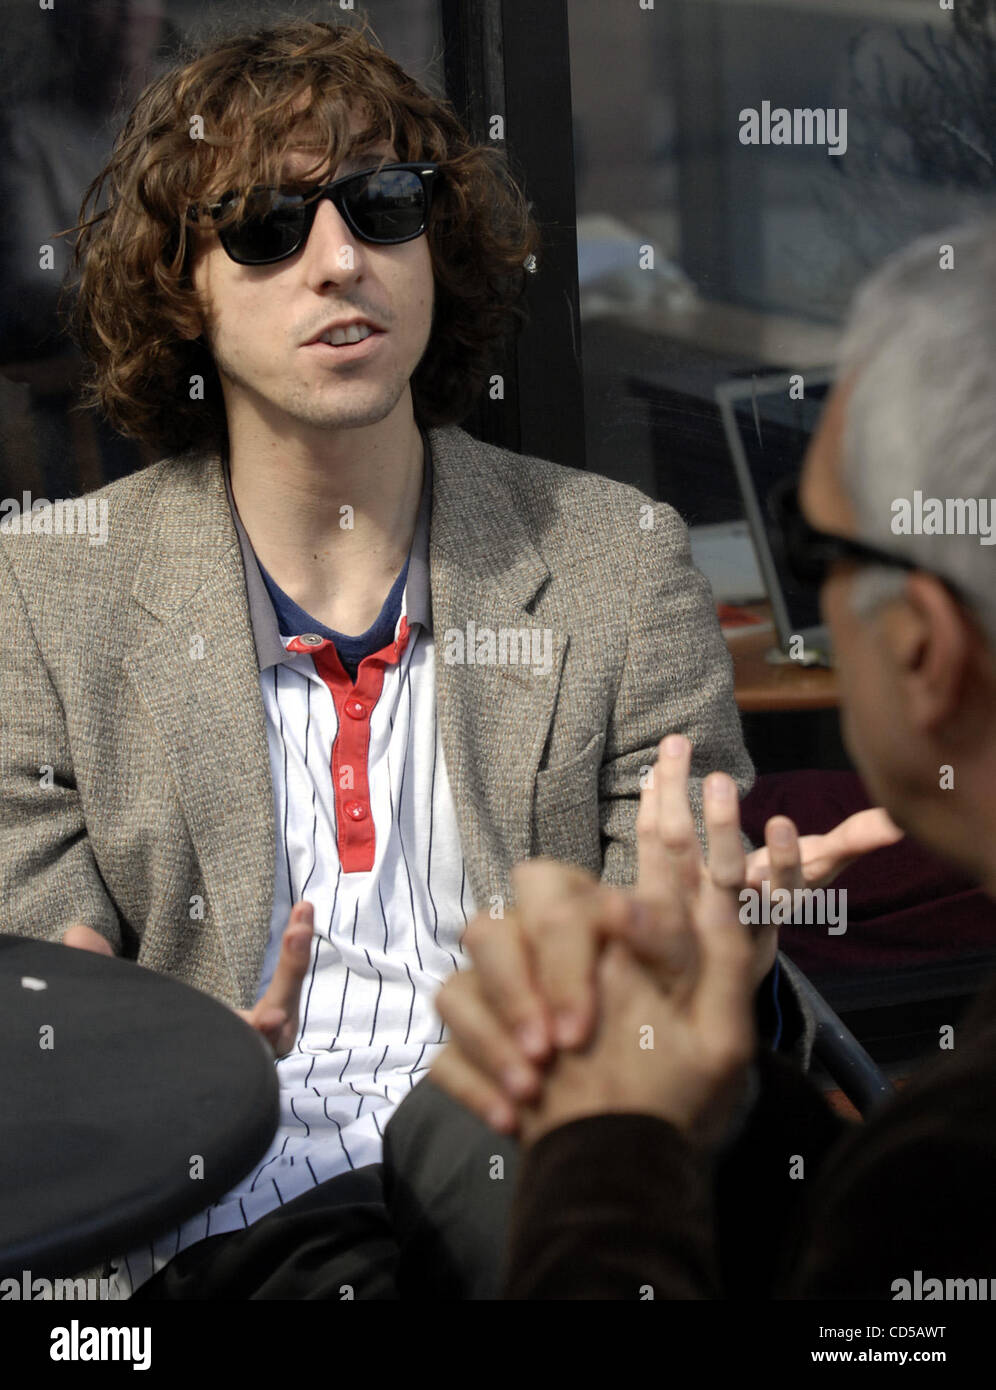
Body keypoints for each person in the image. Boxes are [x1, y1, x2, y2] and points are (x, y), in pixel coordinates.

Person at [0, 17, 892, 1300]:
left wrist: (703, 955)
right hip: (210, 1220)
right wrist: (128, 1061)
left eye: (384, 204)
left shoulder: (612, 559)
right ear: (182, 283)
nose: (339, 259)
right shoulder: (48, 591)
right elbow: (53, 1001)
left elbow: (652, 969)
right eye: (265, 224)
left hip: (525, 1161)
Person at [429, 217, 996, 1299]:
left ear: (923, 647)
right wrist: (728, 1087)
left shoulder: (948, 1172)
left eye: (803, 543)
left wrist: (610, 1140)